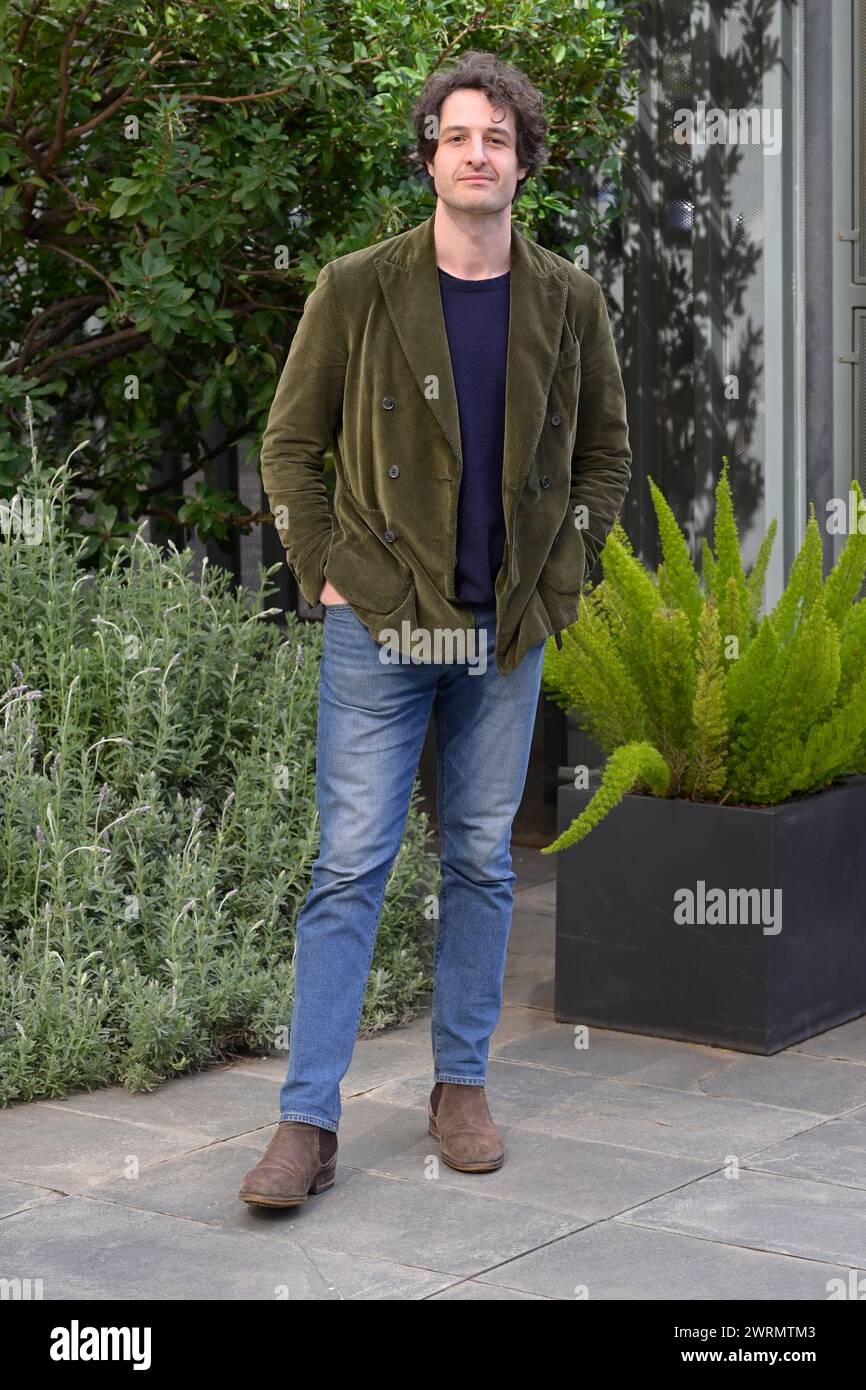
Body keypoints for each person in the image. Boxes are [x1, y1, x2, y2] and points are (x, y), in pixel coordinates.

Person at [239, 48, 631, 1208]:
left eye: (496, 139)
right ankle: (305, 1121)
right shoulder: (356, 287)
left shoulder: (567, 298)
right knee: (349, 864)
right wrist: (323, 570)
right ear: (429, 156)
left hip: (501, 633)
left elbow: (604, 456)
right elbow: (289, 447)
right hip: (377, 625)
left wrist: (564, 566)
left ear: (522, 162)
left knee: (479, 861)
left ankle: (459, 1086)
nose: (476, 155)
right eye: (456, 136)